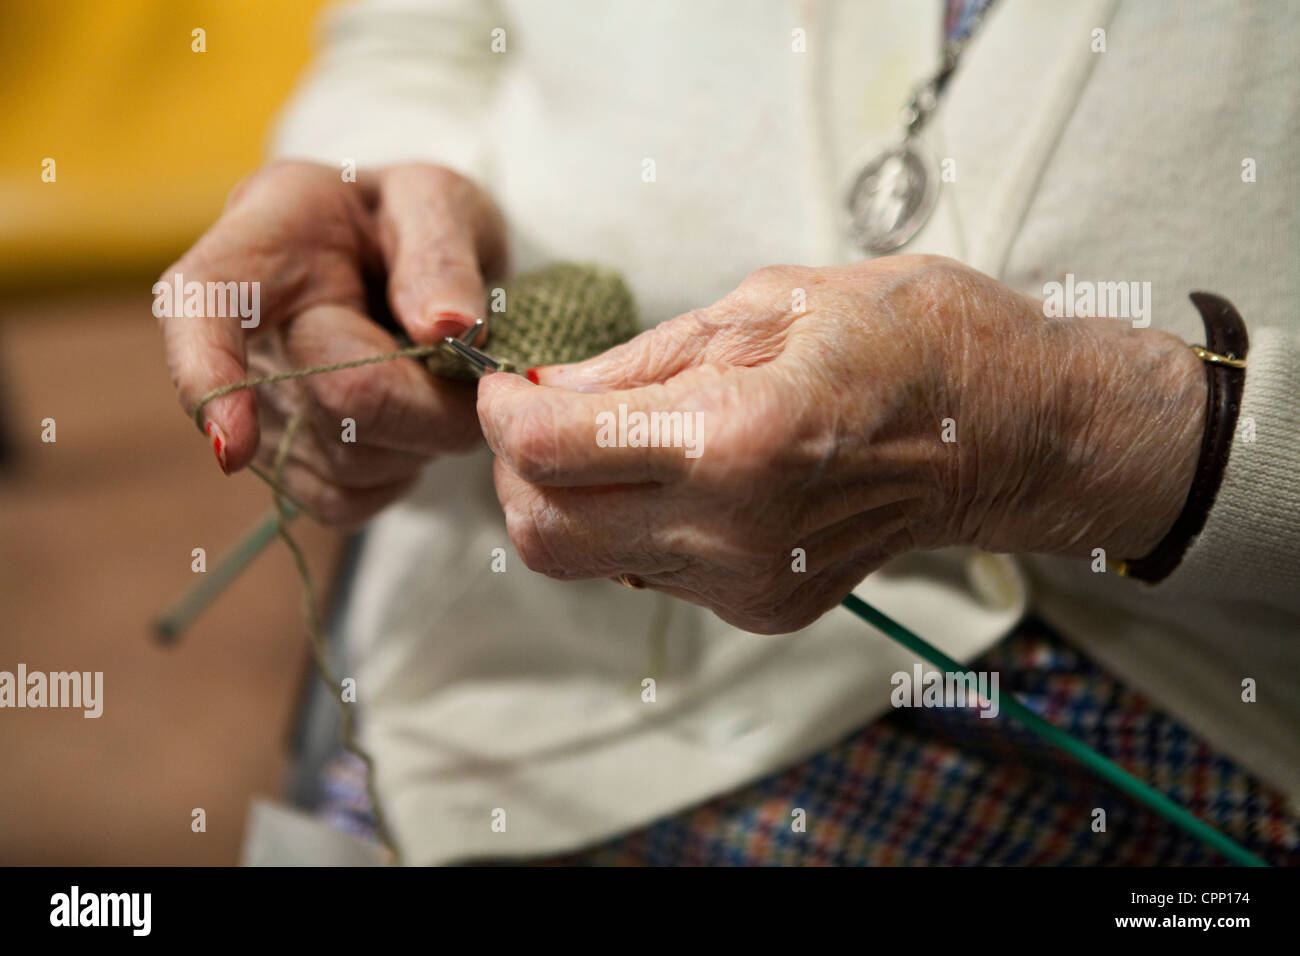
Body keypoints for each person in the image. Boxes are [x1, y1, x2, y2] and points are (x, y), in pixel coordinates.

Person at [157, 0, 1299, 865]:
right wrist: (377, 184)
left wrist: (1111, 436)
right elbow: (414, 41)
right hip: (504, 648)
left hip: (1178, 709)